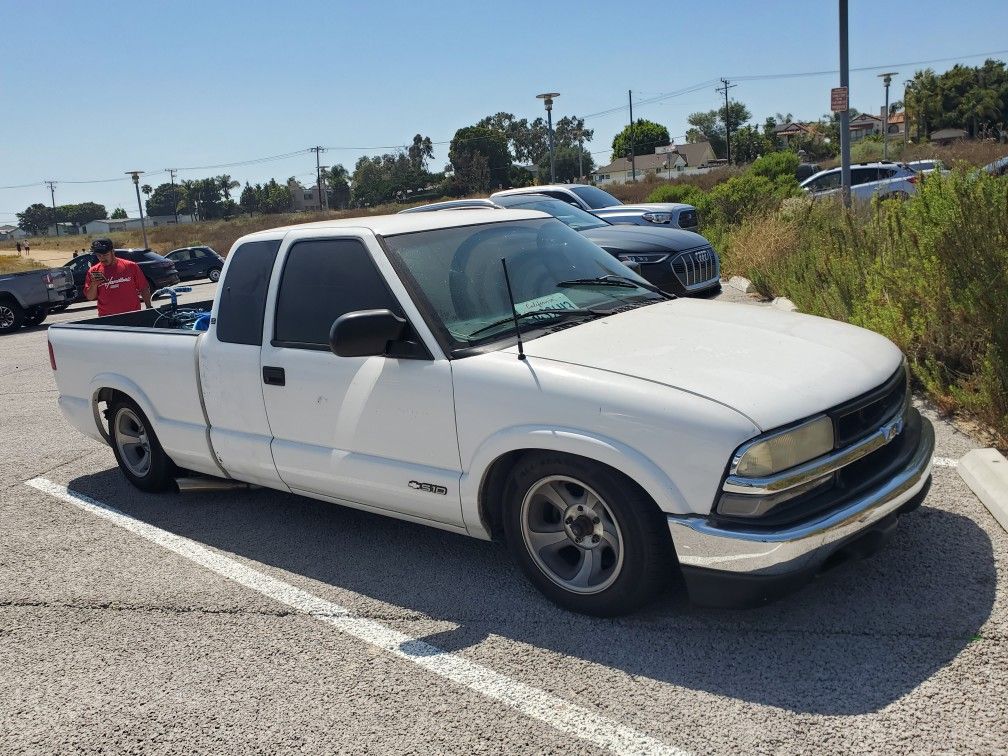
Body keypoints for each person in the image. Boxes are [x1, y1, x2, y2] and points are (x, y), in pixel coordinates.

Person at [84, 238, 152, 317]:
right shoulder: (93, 271)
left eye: (105, 255)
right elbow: (90, 297)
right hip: (107, 318)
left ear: (113, 251)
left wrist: (149, 307)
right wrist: (94, 284)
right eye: (99, 255)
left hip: (133, 315)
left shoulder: (130, 266)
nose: (102, 258)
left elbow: (143, 288)